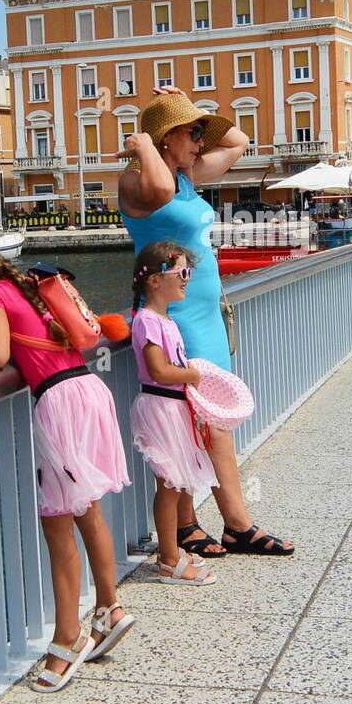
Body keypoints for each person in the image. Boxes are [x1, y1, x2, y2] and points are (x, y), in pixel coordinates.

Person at [0, 240, 133, 692]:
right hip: (87, 391)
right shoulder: (25, 286)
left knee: (56, 525)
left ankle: (68, 638)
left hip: (59, 404)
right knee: (89, 511)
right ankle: (108, 608)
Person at [118, 86, 292, 557]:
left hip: (207, 317)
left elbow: (238, 142)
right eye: (192, 133)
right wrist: (144, 143)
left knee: (213, 421)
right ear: (166, 137)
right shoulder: (136, 179)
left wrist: (189, 101)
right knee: (195, 421)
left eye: (199, 133)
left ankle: (213, 524)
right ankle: (216, 524)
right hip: (172, 318)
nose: (200, 140)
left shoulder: (187, 175)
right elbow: (158, 190)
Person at [129, 241, 219, 586]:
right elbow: (159, 371)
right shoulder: (149, 321)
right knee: (168, 484)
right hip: (160, 406)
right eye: (181, 272)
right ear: (154, 280)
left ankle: (172, 551)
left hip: (173, 407)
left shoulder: (165, 319)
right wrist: (193, 375)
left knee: (177, 484)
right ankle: (168, 559)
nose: (187, 279)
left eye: (189, 273)